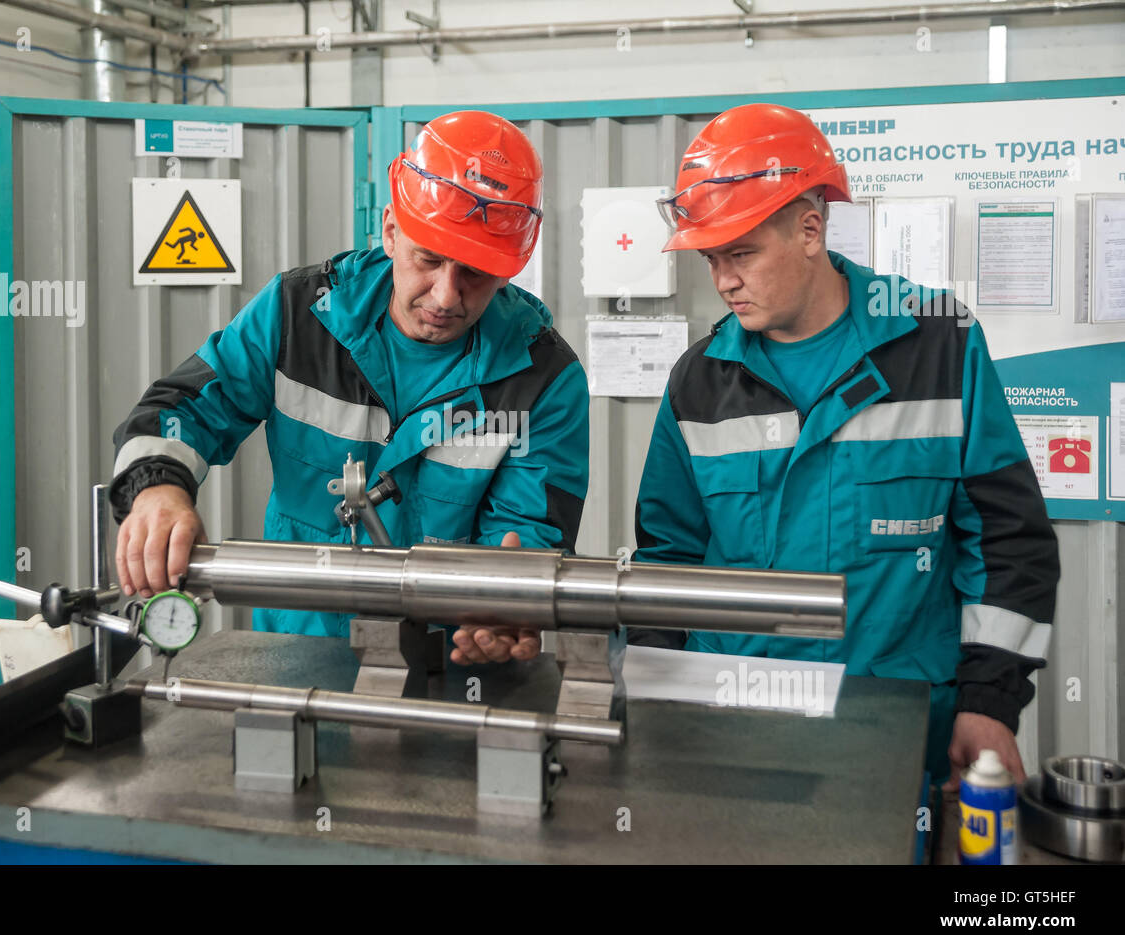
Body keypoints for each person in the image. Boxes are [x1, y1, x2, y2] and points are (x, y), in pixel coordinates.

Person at [631, 103, 1059, 787]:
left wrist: (989, 700)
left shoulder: (938, 344)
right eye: (711, 258)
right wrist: (652, 697)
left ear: (810, 229)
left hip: (894, 727)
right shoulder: (700, 380)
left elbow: (1009, 540)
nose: (723, 280)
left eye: (740, 253)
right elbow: (666, 559)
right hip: (735, 727)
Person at [110, 110, 588, 666]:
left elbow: (527, 532)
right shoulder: (300, 317)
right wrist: (158, 488)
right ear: (390, 229)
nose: (445, 296)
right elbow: (183, 409)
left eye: (475, 272)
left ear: (508, 268)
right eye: (428, 259)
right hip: (293, 649)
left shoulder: (542, 377)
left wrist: (508, 600)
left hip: (449, 667)